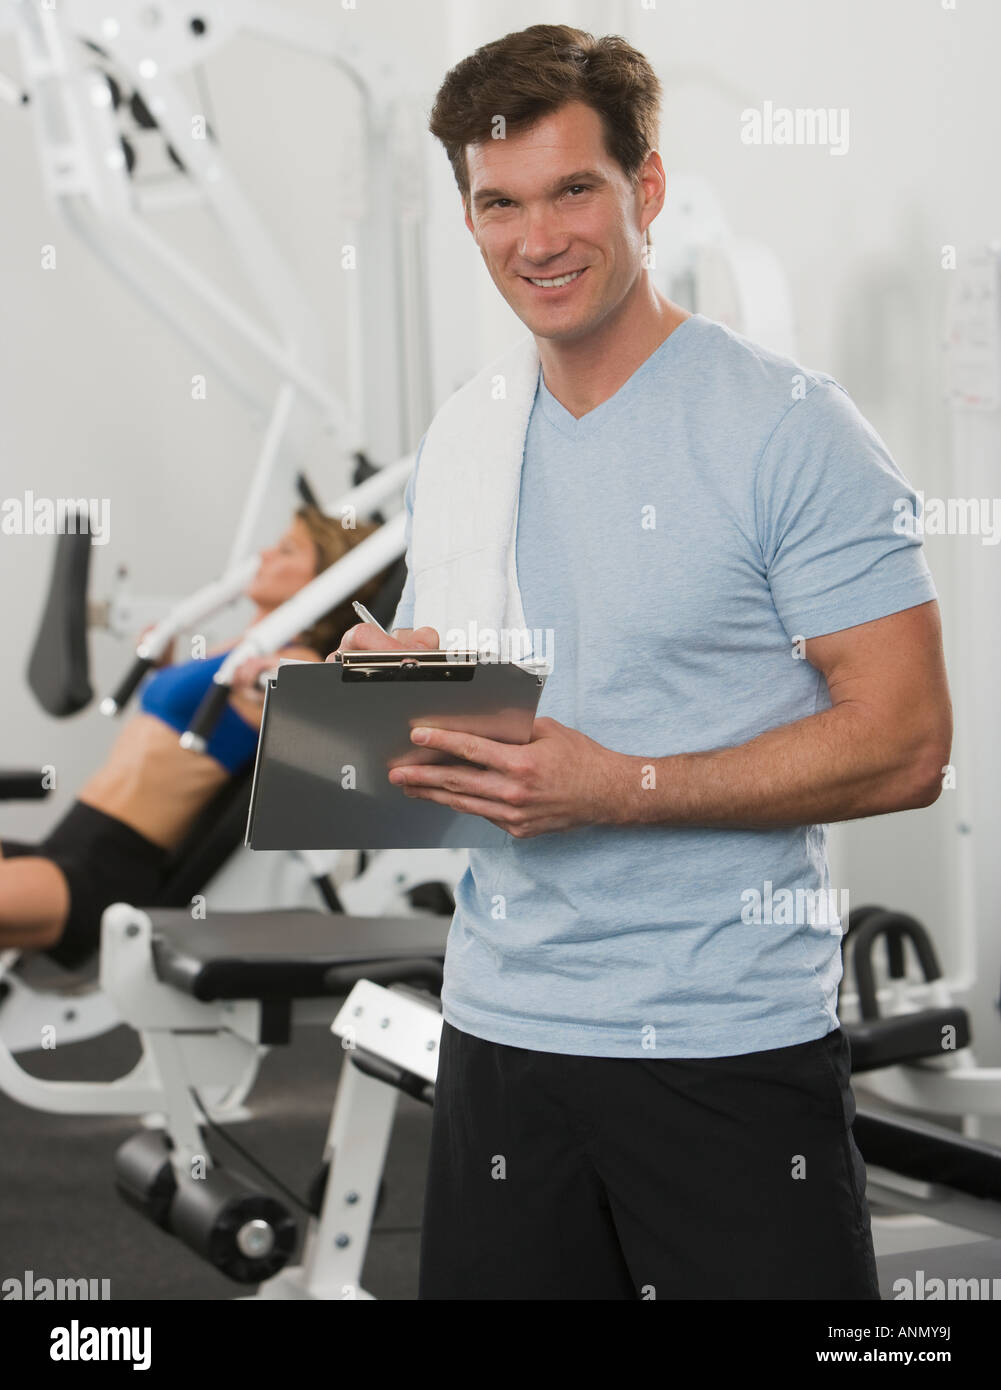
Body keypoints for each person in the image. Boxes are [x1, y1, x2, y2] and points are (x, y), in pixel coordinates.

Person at [336, 24, 954, 1300]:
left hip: (722, 1048)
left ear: (646, 189)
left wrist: (622, 787)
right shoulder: (470, 429)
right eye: (496, 203)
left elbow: (904, 739)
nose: (536, 238)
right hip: (501, 1030)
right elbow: (476, 693)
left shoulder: (788, 431)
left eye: (573, 189)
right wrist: (375, 687)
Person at [0, 506, 394, 967]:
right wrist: (168, 669)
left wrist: (284, 679)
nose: (265, 554)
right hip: (65, 841)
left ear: (326, 579)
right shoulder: (240, 647)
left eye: (286, 549)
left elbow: (336, 707)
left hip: (103, 870)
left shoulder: (286, 661)